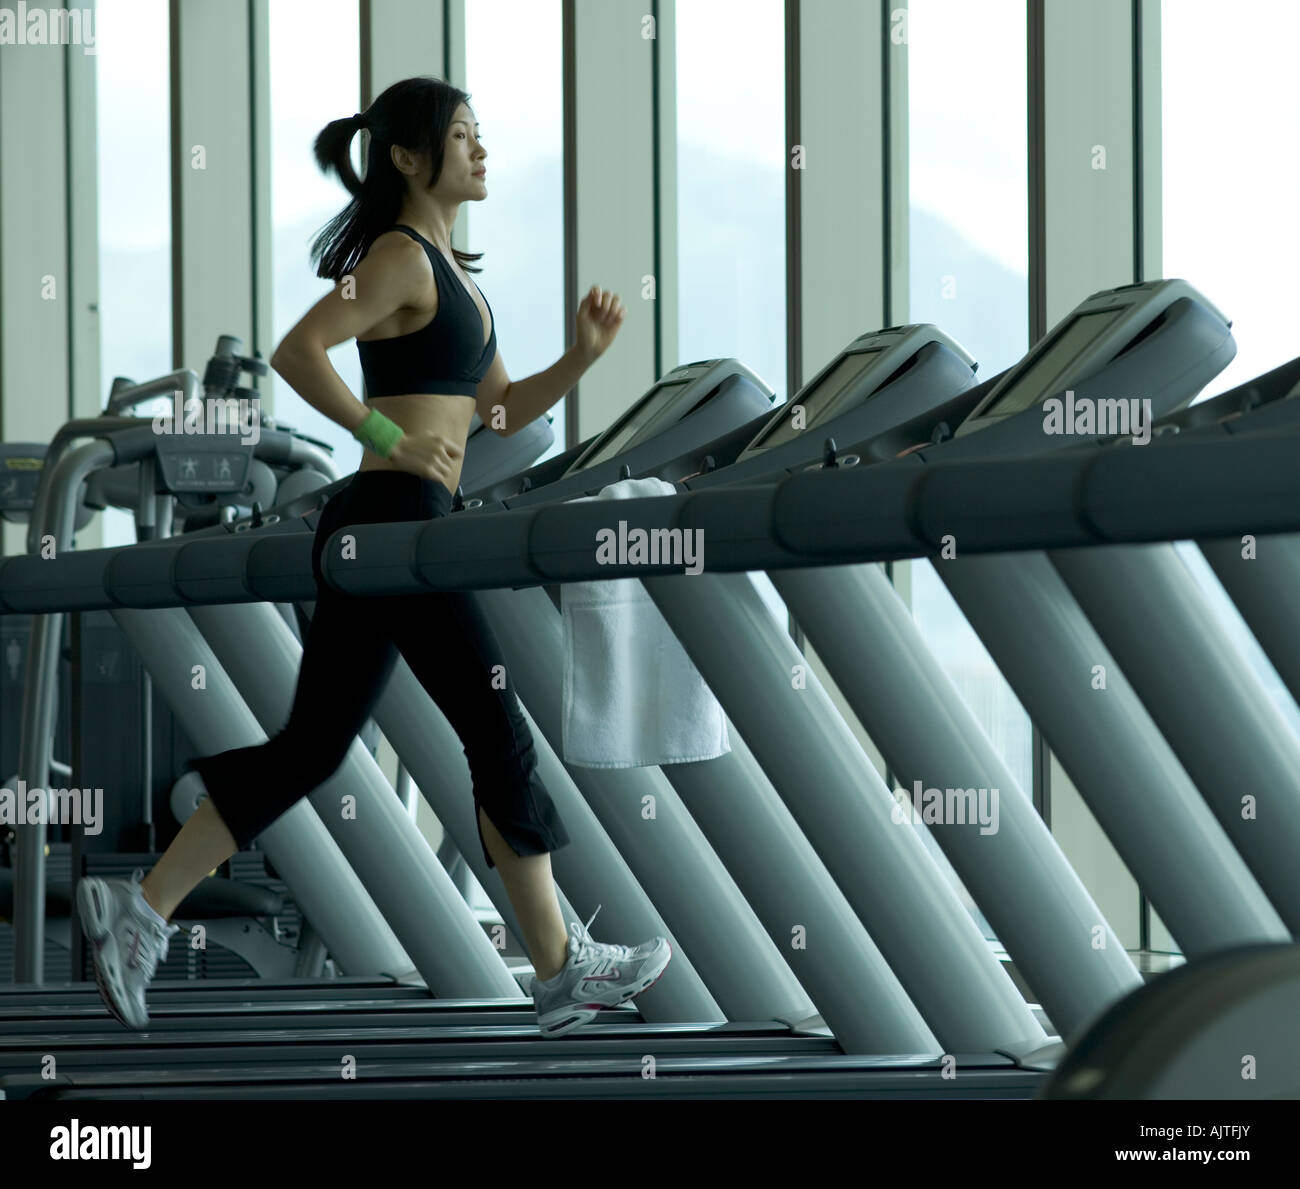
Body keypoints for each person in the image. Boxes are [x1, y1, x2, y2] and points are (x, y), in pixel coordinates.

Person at [77, 75, 671, 1041]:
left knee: (314, 746)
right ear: (407, 156)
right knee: (495, 724)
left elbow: (498, 411)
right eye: (463, 136)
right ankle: (561, 966)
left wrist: (583, 357)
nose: (482, 151)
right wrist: (388, 437)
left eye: (482, 134)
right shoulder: (397, 258)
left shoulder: (453, 273)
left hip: (395, 524)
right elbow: (299, 349)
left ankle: (138, 913)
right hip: (393, 519)